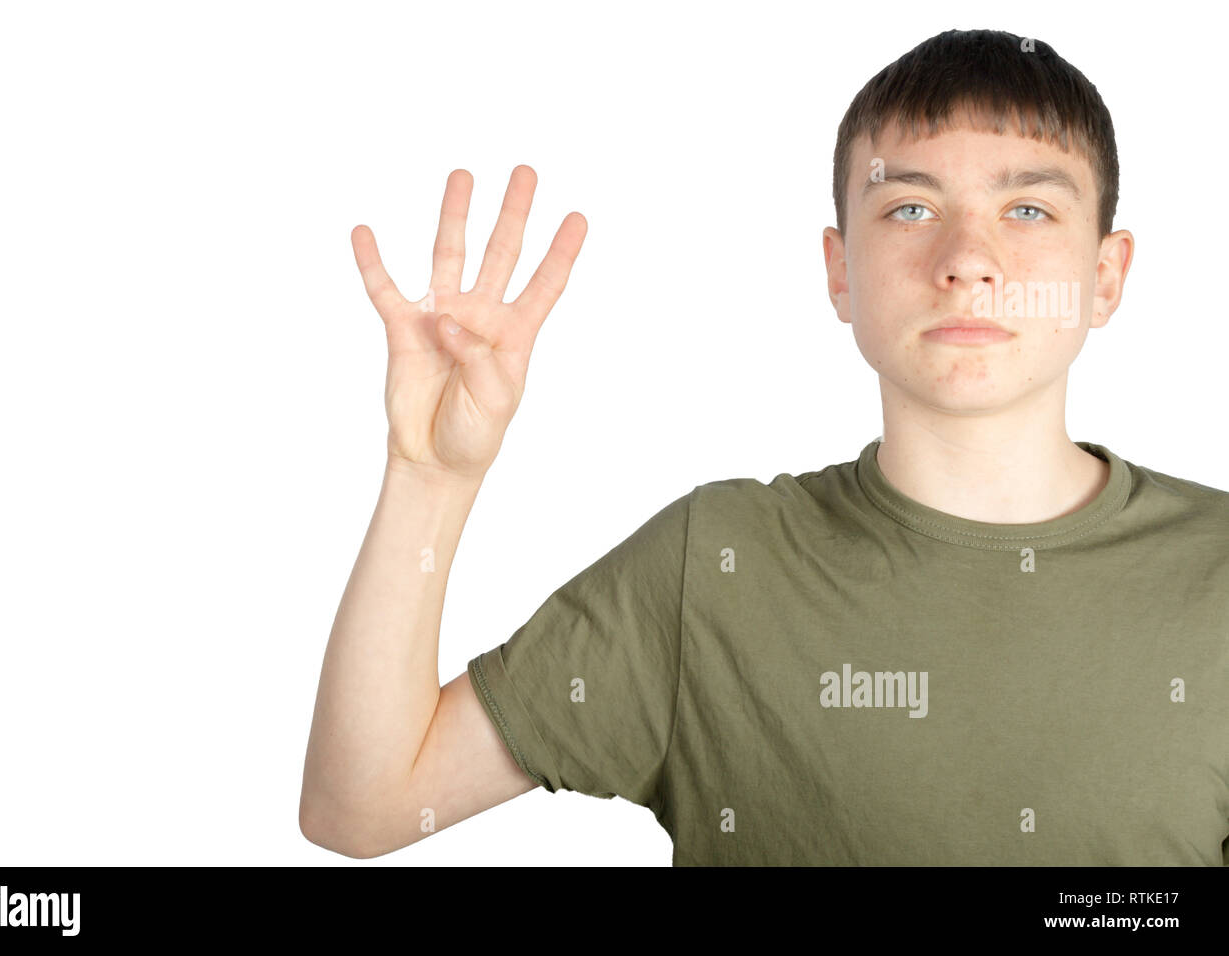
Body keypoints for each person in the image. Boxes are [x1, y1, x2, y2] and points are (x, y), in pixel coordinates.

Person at [298, 28, 1229, 865]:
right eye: (909, 207)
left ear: (1105, 278)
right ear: (840, 272)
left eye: (1028, 210)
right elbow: (366, 807)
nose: (966, 258)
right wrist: (431, 473)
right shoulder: (716, 565)